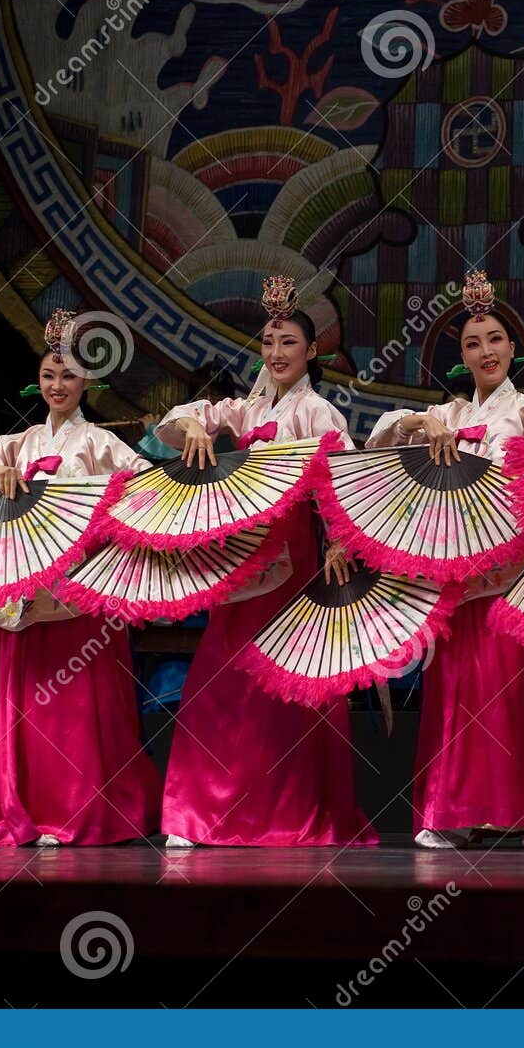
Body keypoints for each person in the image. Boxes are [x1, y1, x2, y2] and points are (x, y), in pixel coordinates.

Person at [366, 269, 524, 850]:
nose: (485, 351)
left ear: (513, 348)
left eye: (494, 339)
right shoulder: (444, 416)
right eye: (472, 343)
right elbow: (375, 443)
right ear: (461, 358)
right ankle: (455, 812)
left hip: (523, 577)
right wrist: (421, 422)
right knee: (465, 698)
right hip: (462, 577)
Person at [154, 275, 377, 849]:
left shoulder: (318, 413)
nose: (276, 354)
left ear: (311, 353)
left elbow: (346, 485)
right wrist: (195, 429)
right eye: (269, 343)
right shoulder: (240, 410)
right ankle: (196, 813)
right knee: (217, 681)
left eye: (289, 344)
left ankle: (285, 814)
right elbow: (172, 422)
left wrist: (339, 541)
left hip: (293, 559)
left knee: (283, 687)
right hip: (236, 554)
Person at [0, 310, 162, 846]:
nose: (58, 386)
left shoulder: (103, 445)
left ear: (88, 383)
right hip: (23, 586)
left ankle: (75, 807)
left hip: (77, 592)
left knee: (75, 706)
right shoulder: (20, 442)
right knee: (24, 702)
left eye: (70, 376)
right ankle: (20, 803)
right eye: (49, 376)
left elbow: (146, 494)